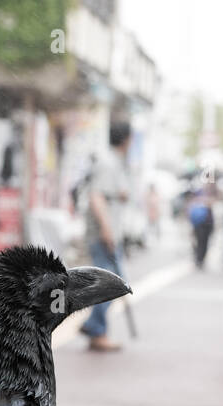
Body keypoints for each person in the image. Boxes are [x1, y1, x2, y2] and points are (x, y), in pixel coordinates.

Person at [80, 121, 133, 352]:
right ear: (126, 139)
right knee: (111, 283)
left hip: (110, 230)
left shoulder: (115, 163)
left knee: (112, 280)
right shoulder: (108, 163)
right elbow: (96, 197)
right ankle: (96, 328)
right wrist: (107, 229)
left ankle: (95, 327)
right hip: (105, 233)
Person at [188, 185, 215, 268]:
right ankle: (199, 259)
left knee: (203, 242)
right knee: (201, 242)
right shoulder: (201, 196)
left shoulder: (209, 195)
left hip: (205, 224)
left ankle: (200, 259)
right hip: (201, 224)